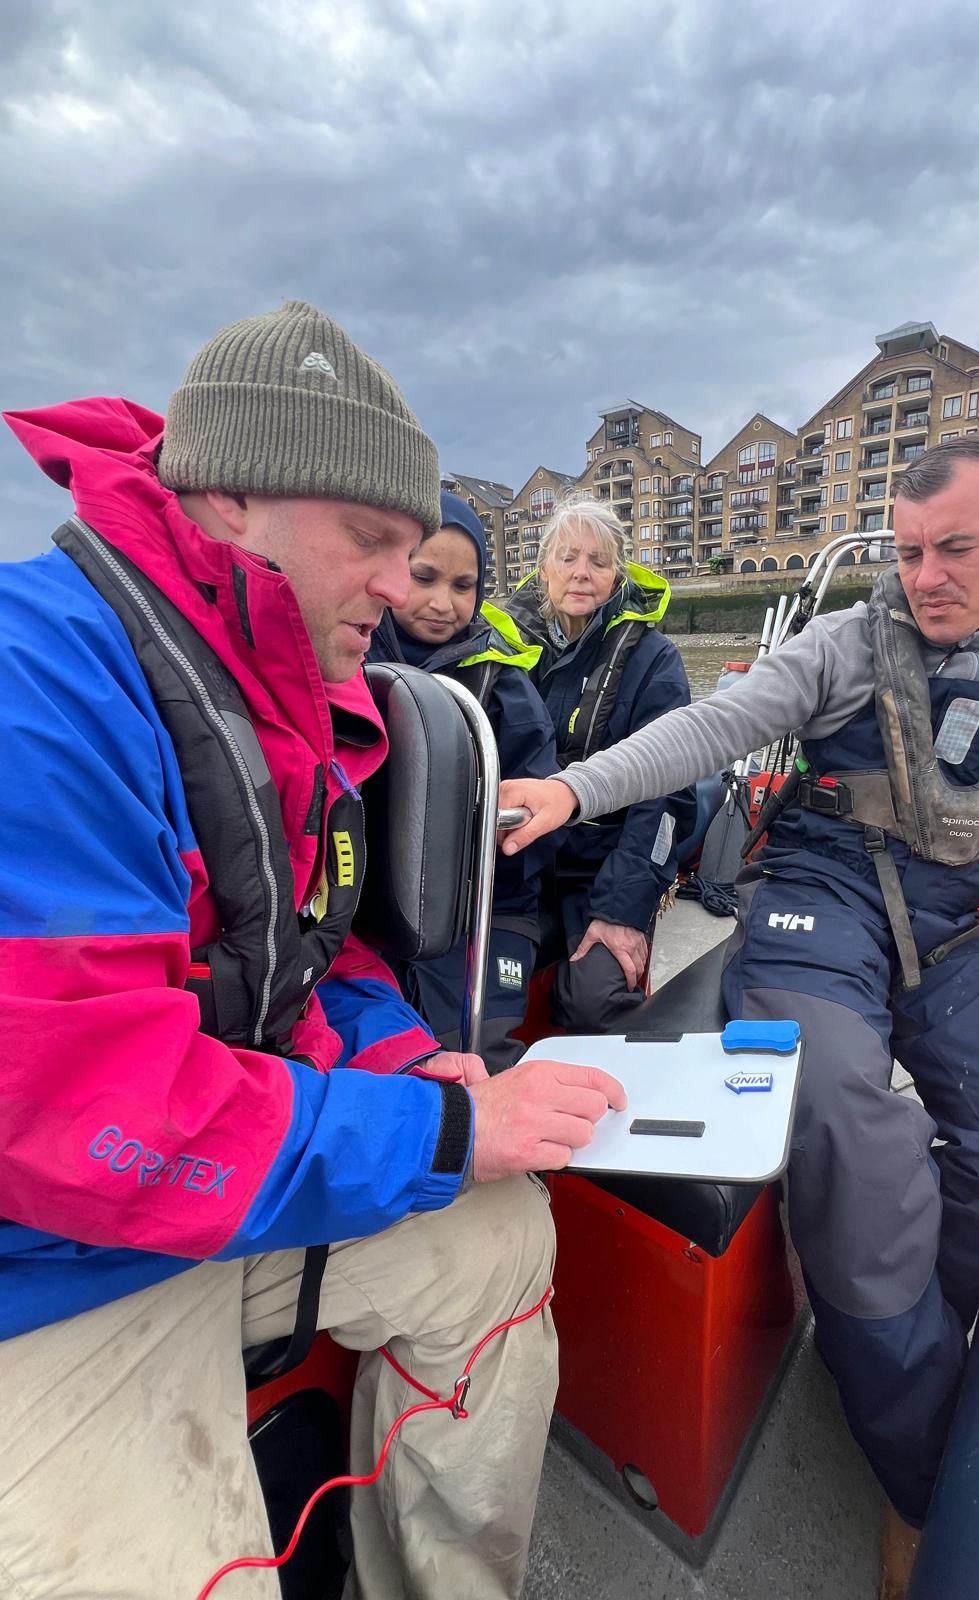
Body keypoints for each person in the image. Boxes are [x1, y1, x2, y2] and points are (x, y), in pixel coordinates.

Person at [0, 301, 625, 1600]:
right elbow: (81, 1110)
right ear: (227, 501)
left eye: (415, 550)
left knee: (499, 1237)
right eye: (371, 541)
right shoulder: (37, 687)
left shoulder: (286, 695)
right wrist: (441, 1139)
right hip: (45, 1264)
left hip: (203, 1196)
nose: (405, 588)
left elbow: (314, 957)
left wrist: (417, 1071)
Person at [499, 436, 979, 1593]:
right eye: (910, 551)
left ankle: (893, 1313)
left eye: (955, 548)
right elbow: (709, 732)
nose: (925, 575)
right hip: (819, 907)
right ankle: (915, 1481)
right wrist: (574, 786)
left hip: (957, 927)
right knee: (855, 1142)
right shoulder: (849, 643)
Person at [367, 489, 559, 1071]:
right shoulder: (344, 659)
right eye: (423, 577)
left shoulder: (506, 690)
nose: (442, 602)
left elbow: (535, 826)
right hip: (365, 906)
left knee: (476, 1051)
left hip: (488, 905)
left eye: (462, 585)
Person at [502, 496, 696, 1031]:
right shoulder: (499, 651)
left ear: (618, 574)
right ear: (543, 569)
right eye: (567, 557)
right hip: (520, 864)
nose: (581, 573)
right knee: (479, 990)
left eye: (599, 561)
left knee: (593, 1000)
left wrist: (623, 912)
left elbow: (667, 795)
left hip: (606, 868)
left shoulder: (654, 661)